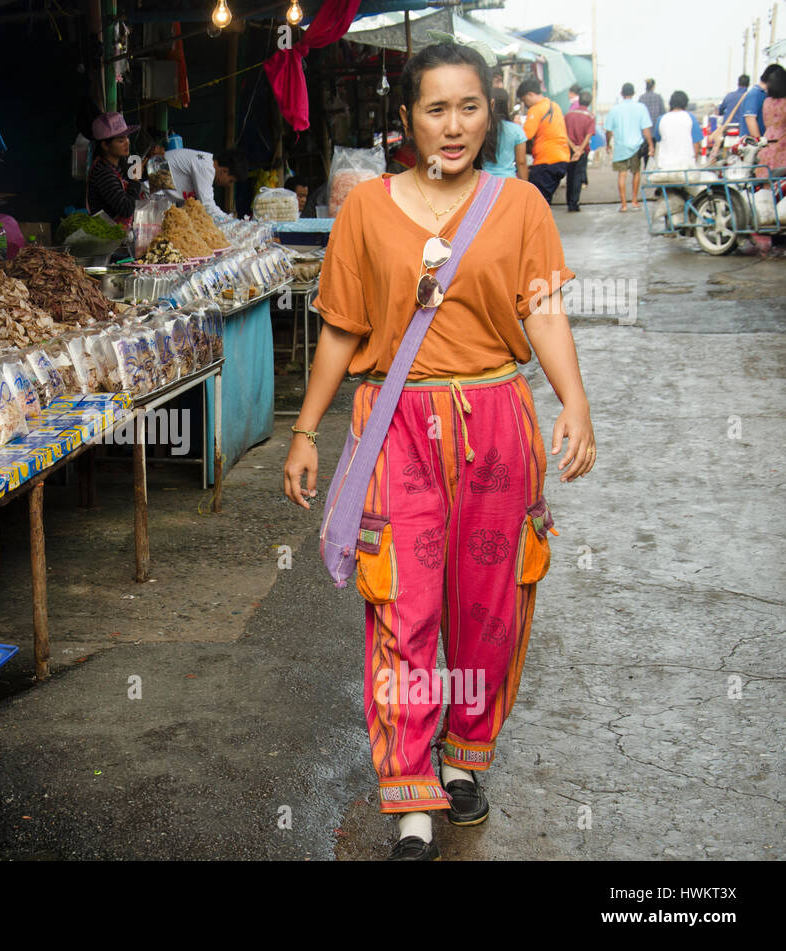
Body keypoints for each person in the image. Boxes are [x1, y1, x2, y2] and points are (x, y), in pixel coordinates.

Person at [283, 42, 595, 861]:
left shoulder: (522, 204)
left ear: (489, 114)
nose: (452, 126)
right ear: (407, 119)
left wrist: (575, 401)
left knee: (491, 607)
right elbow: (343, 327)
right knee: (403, 607)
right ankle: (411, 794)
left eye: (467, 107)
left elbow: (544, 314)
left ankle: (466, 756)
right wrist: (307, 429)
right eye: (434, 109)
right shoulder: (365, 209)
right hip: (396, 428)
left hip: (497, 419)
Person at [749, 65, 786, 255]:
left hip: (767, 148)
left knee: (768, 195)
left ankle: (773, 238)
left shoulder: (767, 102)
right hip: (782, 150)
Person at [517, 77, 571, 203]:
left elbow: (526, 135)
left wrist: (516, 126)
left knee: (537, 202)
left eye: (525, 100)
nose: (526, 104)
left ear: (530, 94)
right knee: (544, 201)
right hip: (561, 159)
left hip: (546, 160)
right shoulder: (555, 106)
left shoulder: (536, 109)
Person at [603, 83, 655, 211]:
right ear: (633, 93)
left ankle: (624, 205)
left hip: (621, 146)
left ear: (621, 94)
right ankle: (634, 200)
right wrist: (650, 145)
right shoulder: (641, 107)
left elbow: (608, 130)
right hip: (636, 146)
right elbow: (646, 129)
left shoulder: (615, 109)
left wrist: (608, 143)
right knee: (636, 172)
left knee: (622, 174)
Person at [85, 111, 143, 225]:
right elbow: (126, 209)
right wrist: (135, 180)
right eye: (121, 140)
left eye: (127, 138)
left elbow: (138, 167)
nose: (127, 143)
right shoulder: (102, 173)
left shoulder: (121, 162)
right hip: (106, 237)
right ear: (105, 145)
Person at [164, 146, 247, 218]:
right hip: (155, 193)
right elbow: (208, 206)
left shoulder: (205, 163)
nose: (228, 185)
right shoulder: (205, 168)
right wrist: (230, 221)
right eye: (230, 181)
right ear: (224, 171)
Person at [483, 88, 529, 181]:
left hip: (483, 182)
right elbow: (521, 162)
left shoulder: (480, 129)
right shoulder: (516, 130)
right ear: (507, 105)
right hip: (508, 182)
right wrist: (525, 187)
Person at [564, 90, 597, 211]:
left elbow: (563, 132)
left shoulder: (568, 114)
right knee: (578, 176)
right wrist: (580, 150)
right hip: (582, 150)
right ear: (589, 102)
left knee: (570, 175)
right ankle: (574, 203)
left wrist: (573, 147)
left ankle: (569, 201)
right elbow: (589, 135)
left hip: (569, 148)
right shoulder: (590, 116)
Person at [654, 91, 702, 170]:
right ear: (685, 104)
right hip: (686, 166)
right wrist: (694, 162)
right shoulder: (690, 118)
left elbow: (658, 138)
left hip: (665, 166)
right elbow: (696, 144)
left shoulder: (661, 119)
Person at [741, 64, 781, 140]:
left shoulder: (764, 94)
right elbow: (750, 119)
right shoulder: (755, 94)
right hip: (752, 144)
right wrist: (760, 143)